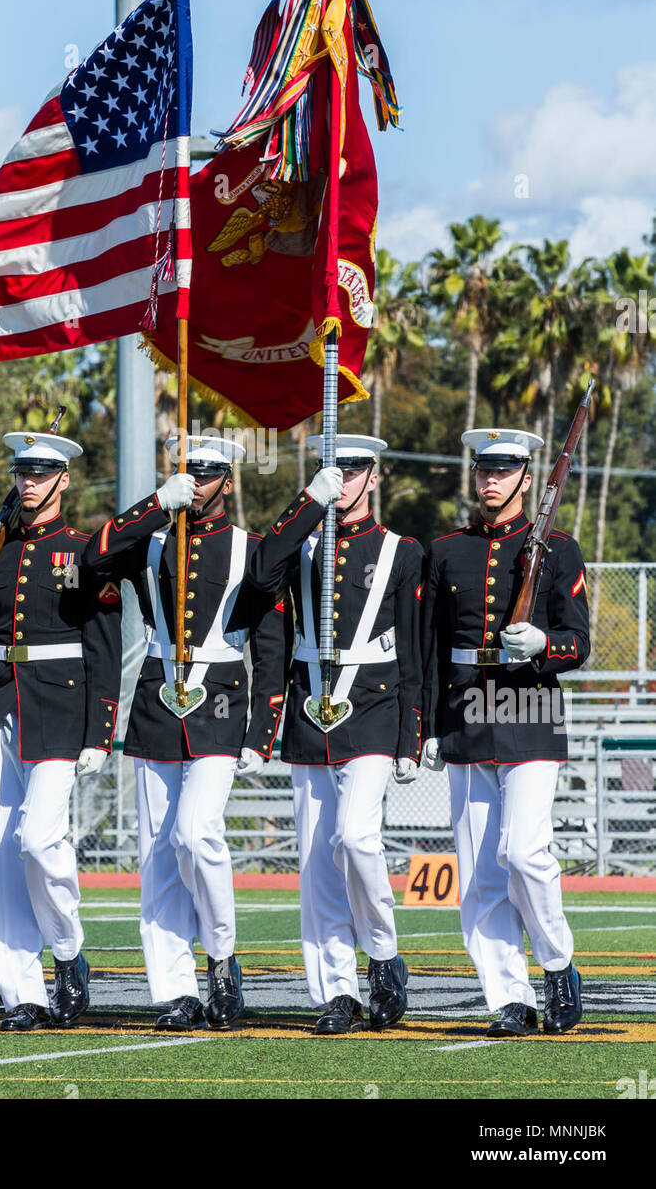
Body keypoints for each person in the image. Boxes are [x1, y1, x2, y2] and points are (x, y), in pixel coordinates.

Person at [82, 434, 288, 1031]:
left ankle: (222, 957)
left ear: (229, 481)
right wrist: (153, 504)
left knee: (197, 835)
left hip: (221, 701)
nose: (196, 484)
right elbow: (92, 559)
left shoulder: (251, 550)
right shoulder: (148, 542)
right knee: (158, 857)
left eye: (207, 475)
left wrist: (262, 729)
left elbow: (270, 647)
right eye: (188, 473)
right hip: (153, 700)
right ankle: (174, 989)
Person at [0, 429, 121, 1032]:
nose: (29, 482)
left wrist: (100, 731)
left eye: (41, 473)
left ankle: (67, 952)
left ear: (64, 480)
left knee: (40, 842)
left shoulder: (86, 552)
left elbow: (104, 648)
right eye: (22, 472)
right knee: (4, 860)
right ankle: (24, 997)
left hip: (62, 711)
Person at [248, 434, 423, 1035]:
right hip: (307, 708)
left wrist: (412, 736)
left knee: (356, 839)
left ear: (374, 477)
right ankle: (336, 992)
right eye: (333, 470)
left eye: (353, 471)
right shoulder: (301, 545)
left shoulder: (403, 552)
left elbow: (414, 653)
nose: (343, 480)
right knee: (317, 863)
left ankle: (383, 953)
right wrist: (304, 504)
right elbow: (260, 575)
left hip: (373, 706)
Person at [421, 427, 590, 1037]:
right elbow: (433, 646)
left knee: (525, 853)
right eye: (482, 470)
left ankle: (557, 962)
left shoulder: (558, 550)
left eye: (503, 470)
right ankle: (507, 997)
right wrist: (430, 727)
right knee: (480, 872)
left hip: (531, 714)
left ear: (526, 477)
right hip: (466, 717)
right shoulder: (447, 551)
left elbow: (580, 643)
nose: (489, 480)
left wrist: (546, 645)